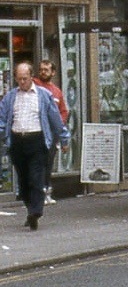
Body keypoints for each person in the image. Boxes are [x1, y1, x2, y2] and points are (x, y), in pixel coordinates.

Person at [0, 62, 70, 230]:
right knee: (23, 182)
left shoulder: (44, 95)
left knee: (36, 178)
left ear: (32, 77)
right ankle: (30, 208)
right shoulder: (10, 97)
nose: (22, 82)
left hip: (37, 141)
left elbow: (55, 119)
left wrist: (64, 138)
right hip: (17, 141)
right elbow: (2, 120)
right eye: (19, 79)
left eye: (25, 78)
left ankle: (35, 212)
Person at [33, 59, 69, 205]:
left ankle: (46, 190)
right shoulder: (33, 84)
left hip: (51, 134)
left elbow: (63, 112)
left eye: (46, 70)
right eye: (41, 69)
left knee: (48, 163)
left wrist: (59, 129)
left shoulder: (56, 91)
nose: (43, 72)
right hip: (36, 131)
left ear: (53, 73)